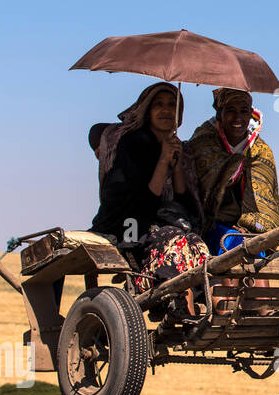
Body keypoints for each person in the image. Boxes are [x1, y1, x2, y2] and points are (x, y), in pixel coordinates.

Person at [90, 82, 209, 304]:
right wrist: (163, 160)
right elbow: (141, 201)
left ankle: (198, 312)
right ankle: (174, 306)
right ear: (148, 110)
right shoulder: (133, 143)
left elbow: (183, 198)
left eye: (172, 105)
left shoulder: (179, 146)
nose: (166, 111)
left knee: (196, 245)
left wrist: (177, 164)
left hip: (163, 222)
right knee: (176, 243)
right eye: (159, 105)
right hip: (131, 225)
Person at [186, 88, 279, 255]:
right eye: (230, 110)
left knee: (252, 248)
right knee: (233, 245)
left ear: (250, 114)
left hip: (252, 230)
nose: (238, 117)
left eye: (244, 111)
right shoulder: (202, 143)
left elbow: (266, 205)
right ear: (219, 114)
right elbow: (195, 194)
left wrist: (246, 226)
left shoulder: (260, 151)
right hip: (208, 225)